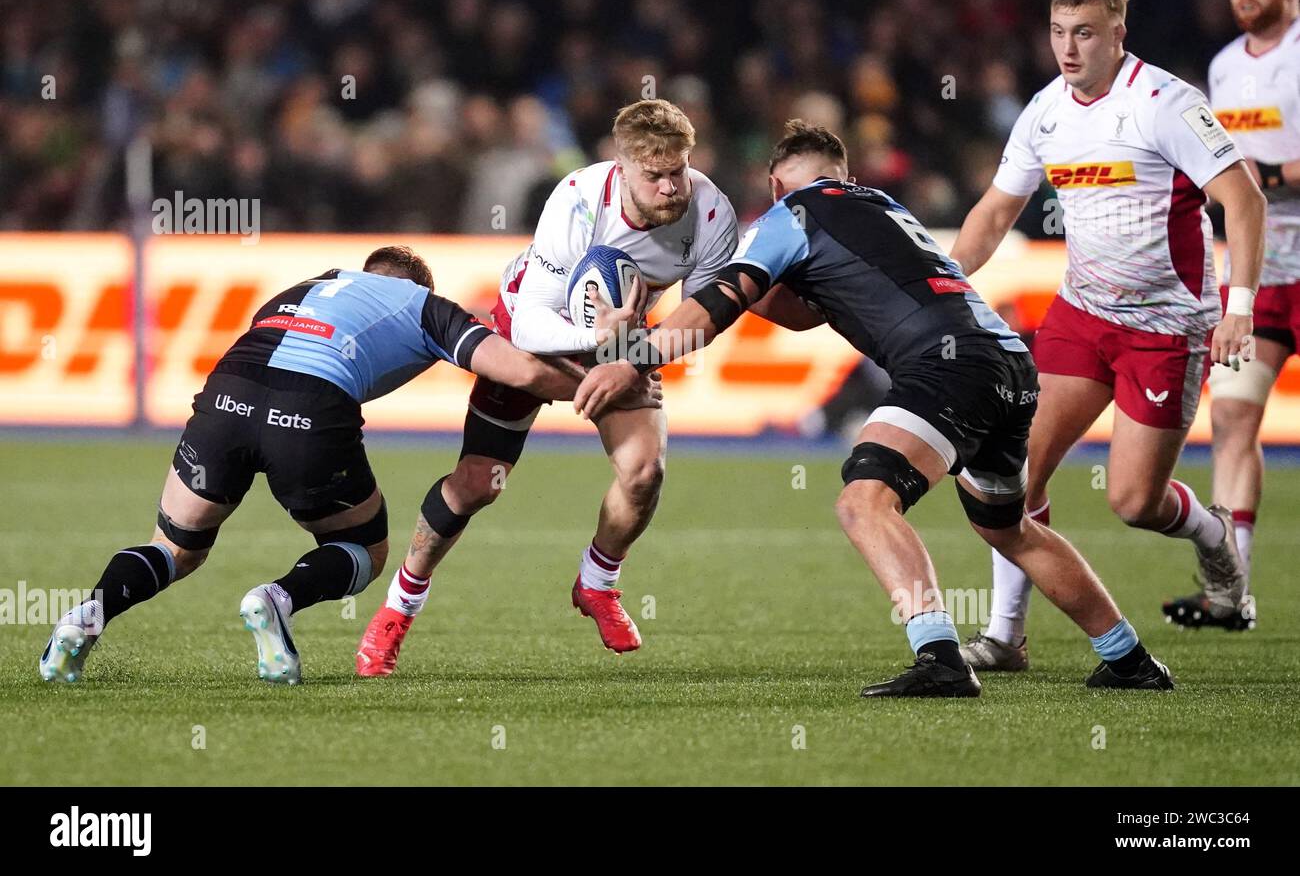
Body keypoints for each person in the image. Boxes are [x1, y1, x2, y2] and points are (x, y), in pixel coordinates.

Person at [575, 121, 1175, 696]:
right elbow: (808, 311)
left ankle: (939, 659)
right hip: (1010, 364)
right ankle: (1128, 657)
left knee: (864, 502)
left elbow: (718, 307)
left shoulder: (793, 213)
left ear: (777, 187)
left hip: (947, 368)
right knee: (1009, 528)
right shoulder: (883, 208)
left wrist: (632, 353)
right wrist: (710, 287)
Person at [39, 246, 657, 685]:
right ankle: (277, 599)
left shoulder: (304, 287)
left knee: (175, 548)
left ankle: (85, 617)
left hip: (227, 393)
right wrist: (610, 381)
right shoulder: (423, 306)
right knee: (363, 548)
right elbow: (520, 371)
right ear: (420, 284)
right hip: (309, 409)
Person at [354, 100, 741, 675]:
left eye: (677, 172)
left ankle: (597, 583)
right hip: (528, 328)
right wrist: (600, 343)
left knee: (644, 471)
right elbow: (534, 323)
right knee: (477, 484)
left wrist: (628, 358)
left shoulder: (710, 213)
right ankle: (396, 610)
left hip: (620, 341)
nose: (669, 188)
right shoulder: (580, 200)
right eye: (653, 176)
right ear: (621, 166)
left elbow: (702, 320)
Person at [949, 0, 1265, 672]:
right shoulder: (1044, 113)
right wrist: (941, 280)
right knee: (1012, 476)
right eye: (1059, 32)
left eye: (1084, 33)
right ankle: (1006, 637)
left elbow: (1243, 203)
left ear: (1118, 33)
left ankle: (1213, 537)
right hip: (1082, 315)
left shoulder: (1166, 104)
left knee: (1132, 500)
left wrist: (1238, 307)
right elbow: (995, 213)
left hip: (1167, 327)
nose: (1068, 47)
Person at [1165, 0, 1300, 630]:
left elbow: (1251, 175)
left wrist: (1262, 180)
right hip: (1265, 270)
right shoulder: (1221, 67)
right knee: (1233, 417)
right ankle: (1232, 590)